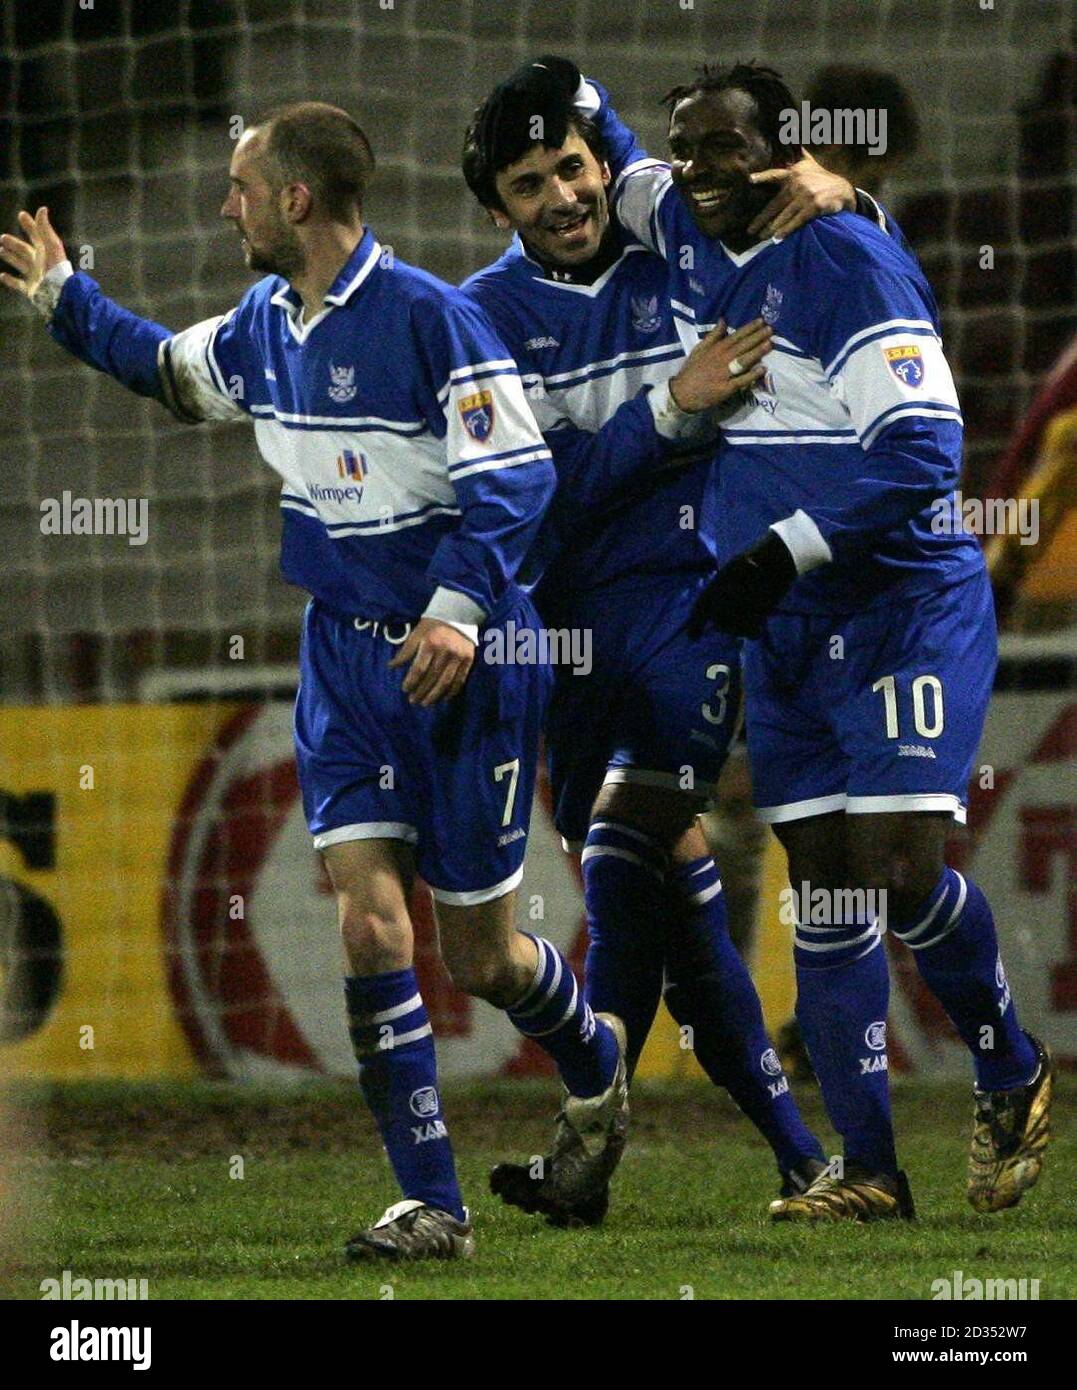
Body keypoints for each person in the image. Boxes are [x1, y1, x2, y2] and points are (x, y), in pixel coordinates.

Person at [0, 102, 634, 1261]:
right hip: (344, 655)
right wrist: (61, 299)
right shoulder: (264, 323)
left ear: (297, 199)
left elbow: (516, 479)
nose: (226, 204)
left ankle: (595, 1054)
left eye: (242, 185)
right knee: (365, 918)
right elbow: (165, 370)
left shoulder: (433, 321)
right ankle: (432, 1203)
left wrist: (454, 612)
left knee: (480, 956)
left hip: (467, 660)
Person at [593, 61, 1053, 1220]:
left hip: (899, 603)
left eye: (728, 147)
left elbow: (916, 460)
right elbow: (603, 127)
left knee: (903, 866)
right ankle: (872, 1171)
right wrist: (562, 97)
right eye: (687, 146)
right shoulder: (679, 217)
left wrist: (774, 551)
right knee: (830, 891)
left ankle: (1010, 1063)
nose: (700, 168)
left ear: (787, 155)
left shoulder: (848, 259)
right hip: (786, 623)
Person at [457, 58, 891, 1224]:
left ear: (605, 160)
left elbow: (814, 246)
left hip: (695, 598)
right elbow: (539, 502)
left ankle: (590, 1132)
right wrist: (671, 406)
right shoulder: (484, 319)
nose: (561, 195)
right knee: (673, 892)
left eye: (571, 166)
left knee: (622, 842)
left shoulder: (673, 236)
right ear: (497, 207)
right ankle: (802, 1158)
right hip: (564, 630)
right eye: (528, 183)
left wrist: (843, 193)